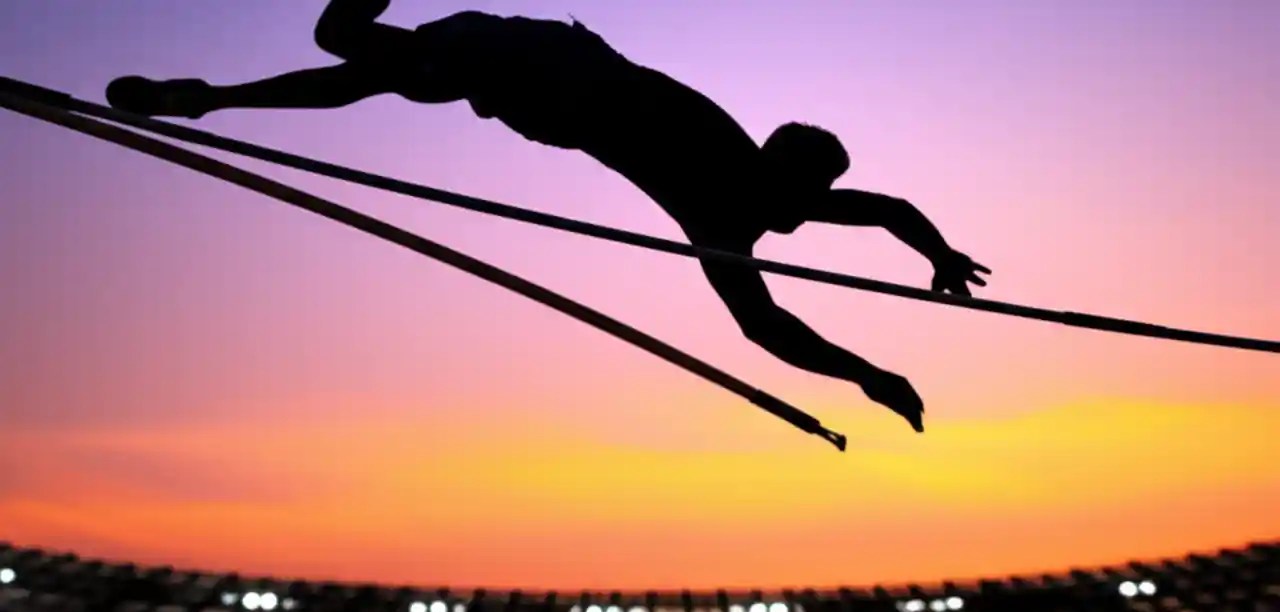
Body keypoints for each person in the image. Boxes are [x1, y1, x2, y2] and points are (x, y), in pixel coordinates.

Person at [106, 0, 991, 433]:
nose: (804, 219)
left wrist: (885, 345)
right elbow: (852, 238)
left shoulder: (736, 217)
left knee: (361, 61)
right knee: (362, 60)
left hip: (542, 85)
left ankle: (209, 97)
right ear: (782, 173)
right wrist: (876, 353)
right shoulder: (735, 210)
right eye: (803, 199)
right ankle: (211, 96)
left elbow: (855, 240)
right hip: (557, 71)